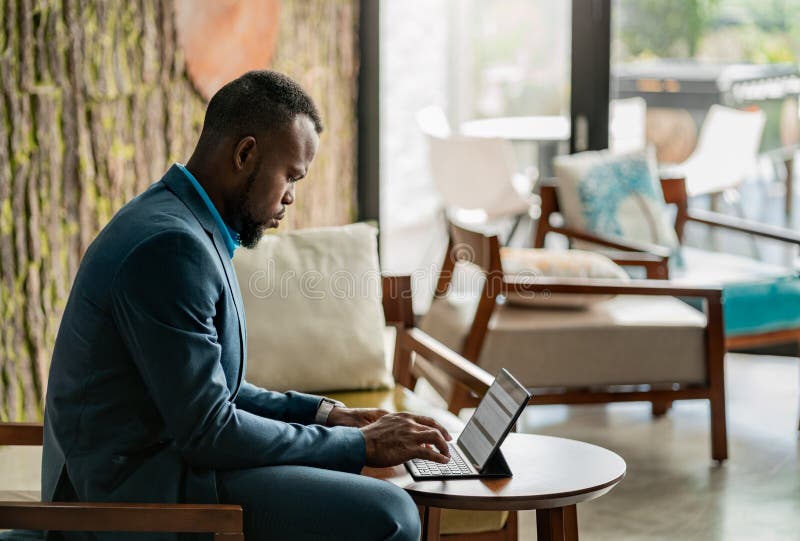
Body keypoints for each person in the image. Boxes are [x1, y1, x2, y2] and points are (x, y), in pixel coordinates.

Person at [42, 70, 452, 541]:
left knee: (375, 490)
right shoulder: (172, 248)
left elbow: (211, 392)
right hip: (133, 494)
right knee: (390, 514)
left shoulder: (181, 222)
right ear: (245, 153)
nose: (292, 196)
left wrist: (326, 415)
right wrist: (357, 444)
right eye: (291, 176)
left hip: (162, 461)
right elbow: (210, 431)